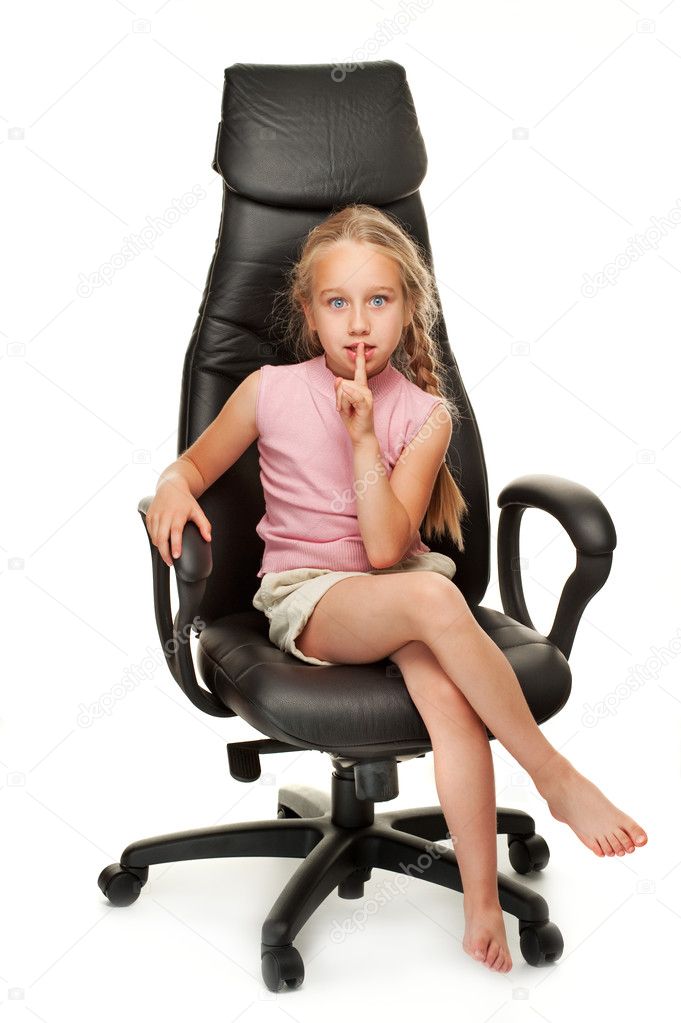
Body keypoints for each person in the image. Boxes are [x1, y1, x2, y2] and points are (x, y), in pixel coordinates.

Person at [145, 203, 648, 974]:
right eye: (337, 302)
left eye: (378, 300)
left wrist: (365, 439)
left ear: (408, 308)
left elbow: (386, 550)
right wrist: (174, 484)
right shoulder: (269, 389)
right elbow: (193, 468)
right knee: (432, 600)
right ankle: (553, 775)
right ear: (307, 311)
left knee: (448, 695)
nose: (357, 324)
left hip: (401, 585)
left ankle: (480, 898)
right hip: (311, 594)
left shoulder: (426, 414)